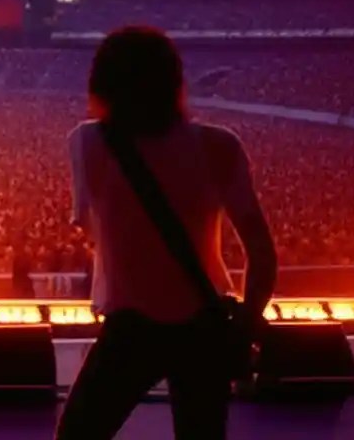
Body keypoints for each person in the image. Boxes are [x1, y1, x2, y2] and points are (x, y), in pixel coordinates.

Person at [55, 27, 278, 440]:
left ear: (102, 82)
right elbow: (261, 251)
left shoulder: (86, 143)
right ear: (176, 80)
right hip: (204, 322)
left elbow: (90, 227)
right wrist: (247, 321)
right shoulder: (220, 145)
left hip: (130, 326)